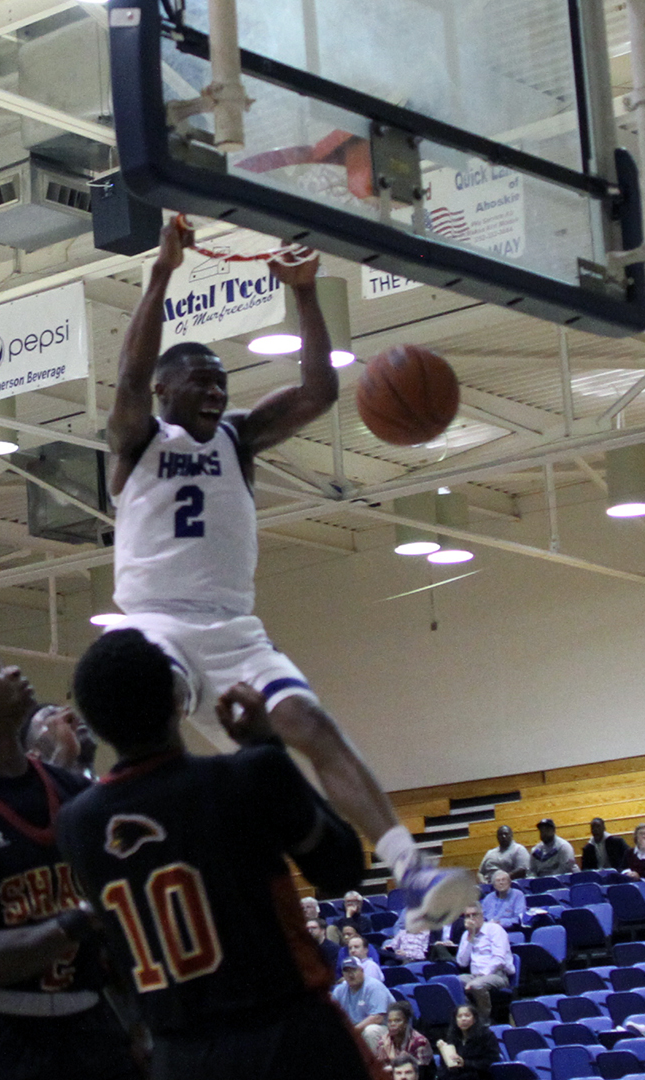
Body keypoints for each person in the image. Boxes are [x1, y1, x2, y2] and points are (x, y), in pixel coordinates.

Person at [106, 217, 471, 932]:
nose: (215, 392)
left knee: (308, 721)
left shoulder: (237, 438)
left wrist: (304, 295)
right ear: (163, 388)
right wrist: (160, 273)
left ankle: (411, 869)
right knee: (154, 703)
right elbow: (124, 377)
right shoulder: (138, 439)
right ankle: (144, 860)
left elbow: (317, 393)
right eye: (199, 382)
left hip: (235, 629)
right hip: (156, 623)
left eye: (221, 381)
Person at [55, 628, 378, 1079]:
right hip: (288, 1039)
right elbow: (342, 868)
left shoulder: (76, 824)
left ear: (97, 722)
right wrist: (269, 748)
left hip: (180, 1055)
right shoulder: (248, 774)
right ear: (177, 697)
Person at [0, 643, 143, 1080]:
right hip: (1, 1039)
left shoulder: (73, 791)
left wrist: (140, 1022)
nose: (14, 671)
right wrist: (81, 920)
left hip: (91, 1024)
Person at [454, 903, 515, 1022]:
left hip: (497, 975)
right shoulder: (466, 934)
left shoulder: (494, 929)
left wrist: (480, 977)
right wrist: (470, 936)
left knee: (477, 985)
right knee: (455, 982)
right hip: (475, 976)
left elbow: (499, 959)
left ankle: (483, 1020)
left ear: (482, 915)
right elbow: (462, 962)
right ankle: (468, 1017)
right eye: (467, 916)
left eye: (474, 915)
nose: (471, 919)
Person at [332, 959, 394, 1056]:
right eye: (346, 971)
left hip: (387, 1028)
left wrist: (352, 1032)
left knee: (370, 1031)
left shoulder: (374, 986)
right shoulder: (339, 991)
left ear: (361, 970)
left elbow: (377, 1017)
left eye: (353, 970)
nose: (350, 974)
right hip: (356, 1029)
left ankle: (376, 1068)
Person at [24, 704, 98, 781]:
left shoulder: (106, 787)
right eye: (51, 714)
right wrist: (63, 754)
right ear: (33, 755)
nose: (70, 714)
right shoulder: (34, 792)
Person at [434, 1004, 497, 1080]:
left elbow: (491, 1061)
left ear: (474, 1019)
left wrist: (465, 1063)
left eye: (467, 1016)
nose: (463, 1019)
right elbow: (445, 1065)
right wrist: (444, 1051)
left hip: (478, 1075)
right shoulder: (452, 1037)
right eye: (459, 1016)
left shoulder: (486, 1035)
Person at [376, 1002, 432, 1074]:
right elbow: (380, 1068)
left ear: (406, 1022)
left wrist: (394, 1067)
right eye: (390, 1021)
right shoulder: (383, 1041)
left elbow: (421, 1071)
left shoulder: (419, 1041)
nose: (392, 1024)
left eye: (397, 1021)